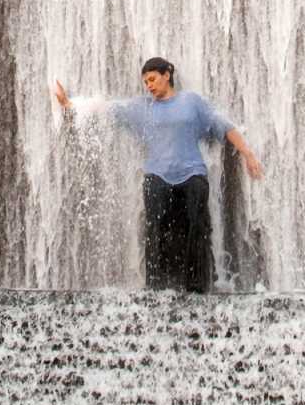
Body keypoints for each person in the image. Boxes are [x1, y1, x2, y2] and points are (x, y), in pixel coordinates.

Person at [52, 56, 265, 293]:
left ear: (167, 75)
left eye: (152, 79)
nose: (149, 85)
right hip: (157, 177)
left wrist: (248, 154)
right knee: (155, 232)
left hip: (192, 175)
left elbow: (224, 126)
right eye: (145, 82)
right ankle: (154, 288)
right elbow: (106, 108)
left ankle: (198, 288)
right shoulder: (141, 108)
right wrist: (69, 104)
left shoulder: (191, 102)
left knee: (198, 230)